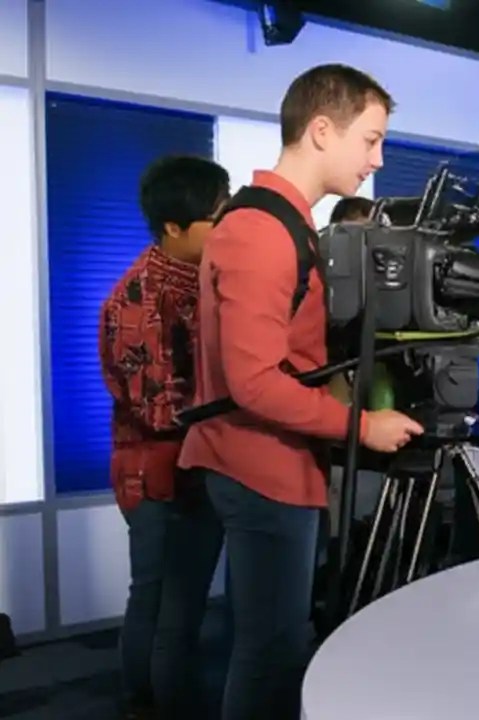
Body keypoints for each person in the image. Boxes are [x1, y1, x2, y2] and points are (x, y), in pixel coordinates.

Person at [178, 64, 423, 720]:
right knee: (272, 651)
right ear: (321, 130)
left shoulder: (273, 223)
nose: (378, 158)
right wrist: (363, 427)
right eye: (369, 140)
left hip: (264, 462)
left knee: (270, 645)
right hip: (261, 467)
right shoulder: (263, 230)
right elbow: (256, 382)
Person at [99, 155, 230, 719]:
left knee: (177, 603)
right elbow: (157, 409)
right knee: (162, 602)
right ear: (174, 227)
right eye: (215, 219)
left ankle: (157, 698)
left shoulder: (199, 279)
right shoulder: (139, 299)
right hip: (157, 471)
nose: (225, 230)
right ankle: (151, 705)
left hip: (191, 463)